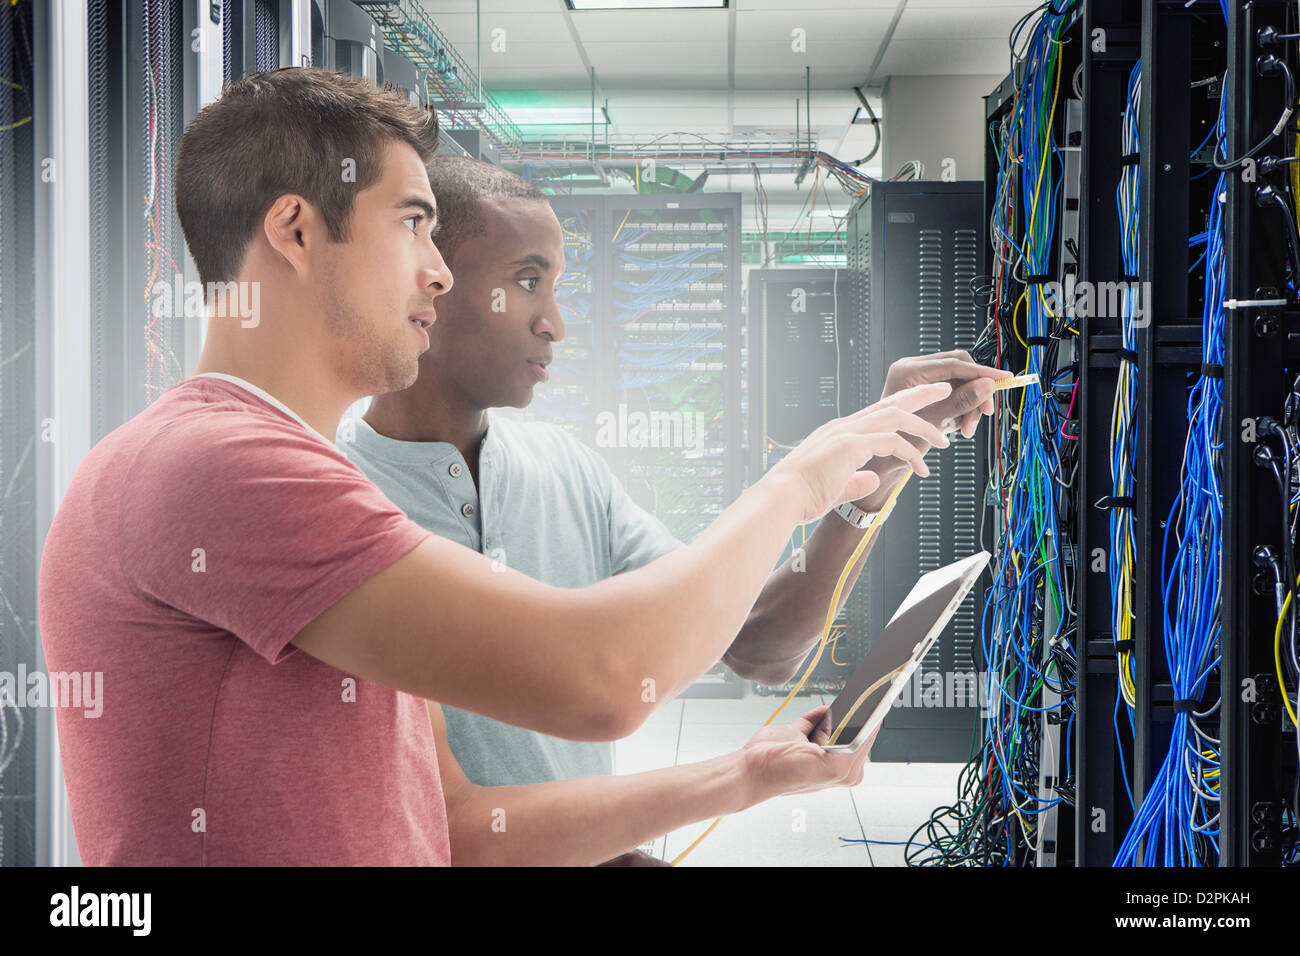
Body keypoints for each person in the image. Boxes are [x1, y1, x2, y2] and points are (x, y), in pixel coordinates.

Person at [36, 67, 996, 866]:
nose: (440, 271)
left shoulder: (303, 484)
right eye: (412, 222)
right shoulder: (220, 464)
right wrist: (803, 478)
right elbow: (606, 679)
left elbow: (456, 827)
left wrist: (744, 776)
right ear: (294, 231)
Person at [340, 155, 1006, 865]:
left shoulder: (566, 468)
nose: (556, 325)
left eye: (557, 287)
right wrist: (787, 487)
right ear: (427, 280)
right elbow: (442, 822)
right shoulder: (336, 497)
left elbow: (758, 644)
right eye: (527, 282)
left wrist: (871, 470)